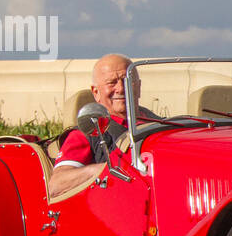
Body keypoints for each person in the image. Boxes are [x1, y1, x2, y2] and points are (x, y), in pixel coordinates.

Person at [48, 54, 156, 195]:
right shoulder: (87, 132)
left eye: (127, 81)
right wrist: (106, 169)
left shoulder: (163, 124)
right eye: (112, 82)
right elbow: (57, 184)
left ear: (139, 87)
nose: (121, 89)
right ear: (96, 92)